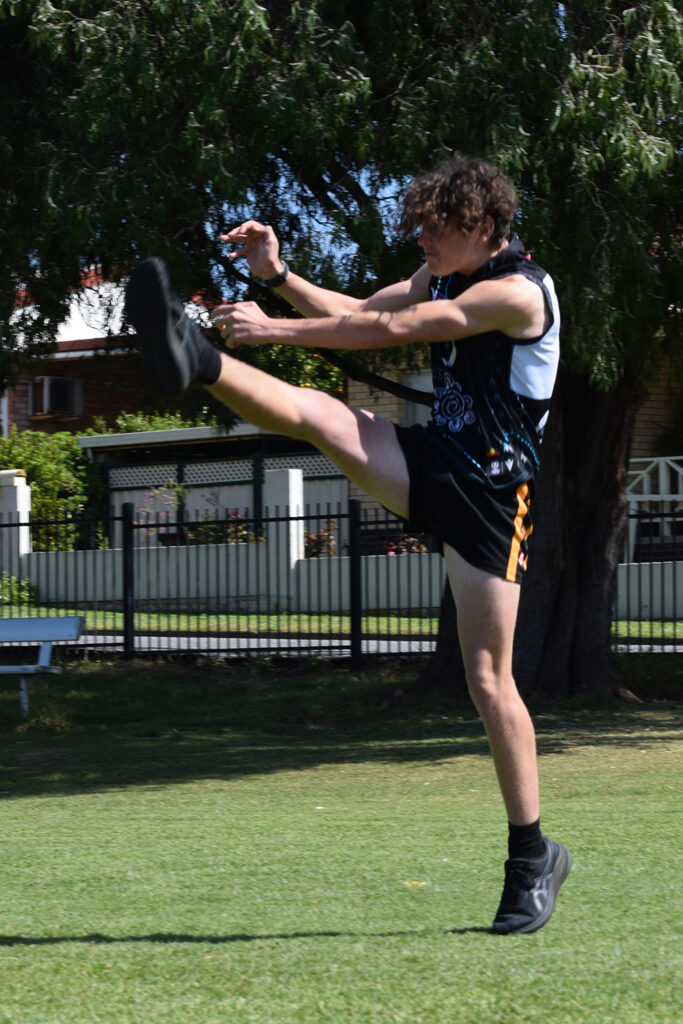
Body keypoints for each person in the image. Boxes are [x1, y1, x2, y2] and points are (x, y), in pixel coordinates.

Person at [125, 152, 571, 935]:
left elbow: (396, 331)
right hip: (436, 458)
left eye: (438, 231)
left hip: (495, 498)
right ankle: (197, 358)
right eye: (422, 229)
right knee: (324, 417)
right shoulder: (444, 275)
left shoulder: (513, 292)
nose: (424, 244)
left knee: (486, 678)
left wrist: (274, 325)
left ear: (486, 228)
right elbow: (360, 307)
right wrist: (276, 275)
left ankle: (533, 857)